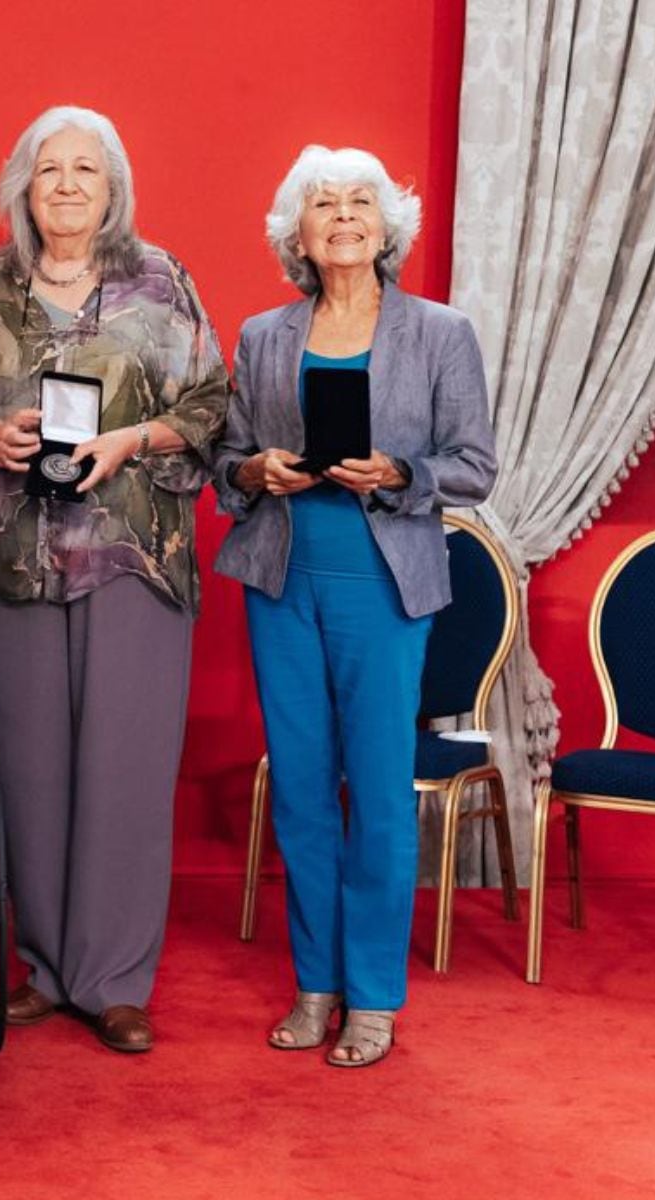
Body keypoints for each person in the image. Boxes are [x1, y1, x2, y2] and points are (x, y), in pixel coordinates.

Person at [0, 106, 229, 1053]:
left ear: (113, 190)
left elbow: (215, 405)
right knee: (30, 768)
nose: (65, 184)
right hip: (15, 555)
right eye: (48, 169)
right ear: (24, 186)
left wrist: (131, 440)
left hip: (133, 554)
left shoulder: (161, 281)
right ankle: (46, 970)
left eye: (84, 171)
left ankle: (115, 980)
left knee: (126, 767)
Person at [211, 145, 496, 1067]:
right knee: (299, 790)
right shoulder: (262, 335)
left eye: (359, 202)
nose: (342, 216)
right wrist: (256, 470)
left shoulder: (440, 333)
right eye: (322, 203)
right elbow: (228, 464)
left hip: (384, 581)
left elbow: (475, 465)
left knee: (376, 791)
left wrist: (402, 474)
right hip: (283, 579)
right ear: (296, 231)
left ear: (387, 226)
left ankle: (373, 995)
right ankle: (315, 983)